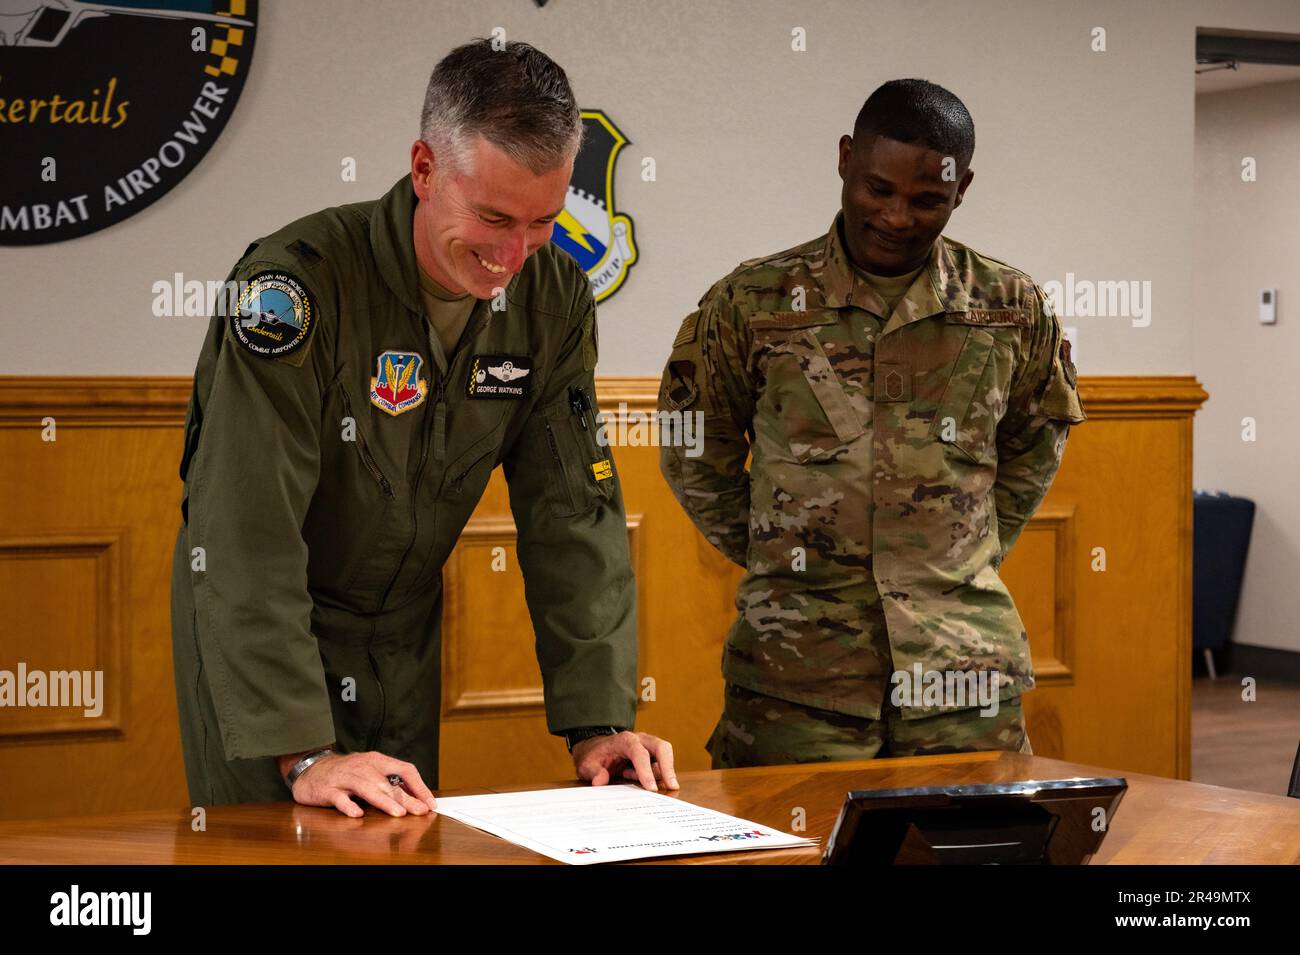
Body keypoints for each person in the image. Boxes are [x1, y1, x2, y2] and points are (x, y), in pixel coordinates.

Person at [172, 38, 677, 817]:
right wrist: (303, 751)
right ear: (424, 168)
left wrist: (600, 721)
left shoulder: (552, 299)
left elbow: (572, 511)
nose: (511, 257)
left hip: (402, 631)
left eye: (542, 221)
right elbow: (245, 528)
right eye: (492, 217)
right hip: (262, 630)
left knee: (397, 841)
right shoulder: (293, 289)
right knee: (284, 843)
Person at [658, 79, 1086, 768]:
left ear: (962, 188)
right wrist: (784, 554)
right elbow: (691, 449)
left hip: (963, 675)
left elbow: (1035, 441)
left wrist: (956, 553)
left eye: (927, 200)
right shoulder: (754, 301)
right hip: (796, 675)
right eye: (877, 189)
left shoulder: (1009, 306)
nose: (896, 216)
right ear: (845, 159)